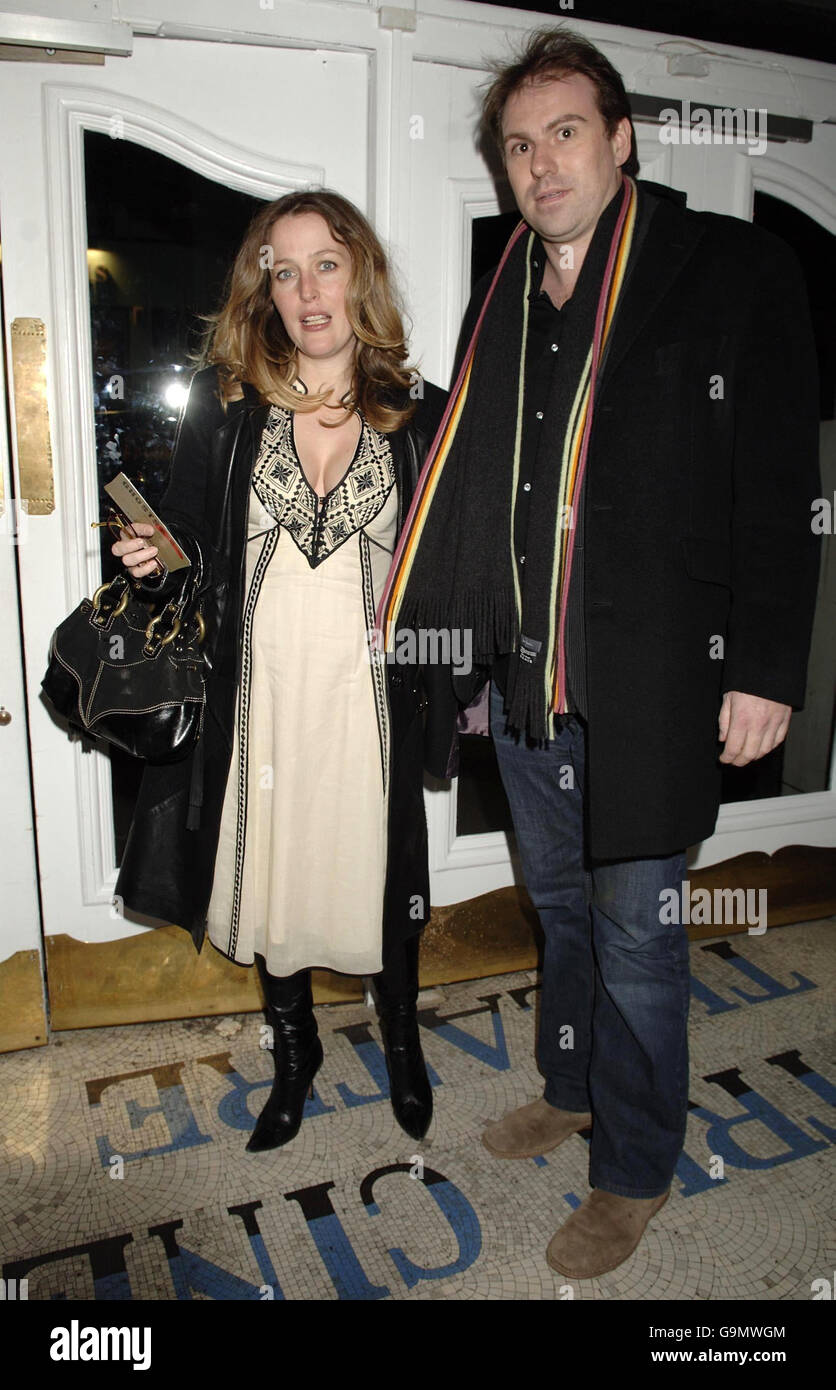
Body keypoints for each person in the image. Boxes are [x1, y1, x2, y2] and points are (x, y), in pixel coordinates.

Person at [376, 27, 821, 1277]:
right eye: (518, 145)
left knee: (636, 936)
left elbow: (778, 487)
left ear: (620, 139)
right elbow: (469, 472)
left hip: (662, 683)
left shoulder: (731, 269)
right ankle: (569, 1088)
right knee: (561, 909)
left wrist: (766, 669)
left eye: (564, 132)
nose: (541, 164)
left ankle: (631, 1166)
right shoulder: (506, 289)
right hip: (528, 684)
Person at [112, 190, 453, 1152]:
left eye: (327, 264)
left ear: (362, 278)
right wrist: (152, 554)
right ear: (264, 287)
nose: (307, 290)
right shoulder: (228, 417)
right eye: (285, 268)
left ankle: (400, 1047)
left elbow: (457, 564)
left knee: (382, 882)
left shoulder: (418, 418)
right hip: (258, 706)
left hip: (370, 706)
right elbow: (184, 551)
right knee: (273, 879)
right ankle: (293, 1056)